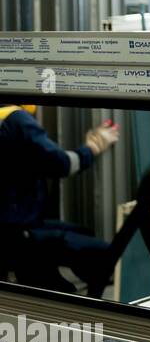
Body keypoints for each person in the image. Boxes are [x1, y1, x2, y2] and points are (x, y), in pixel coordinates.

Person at [0, 104, 118, 297]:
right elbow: (62, 164)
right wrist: (93, 147)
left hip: (11, 230)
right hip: (18, 235)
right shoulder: (16, 119)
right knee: (103, 252)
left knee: (81, 232)